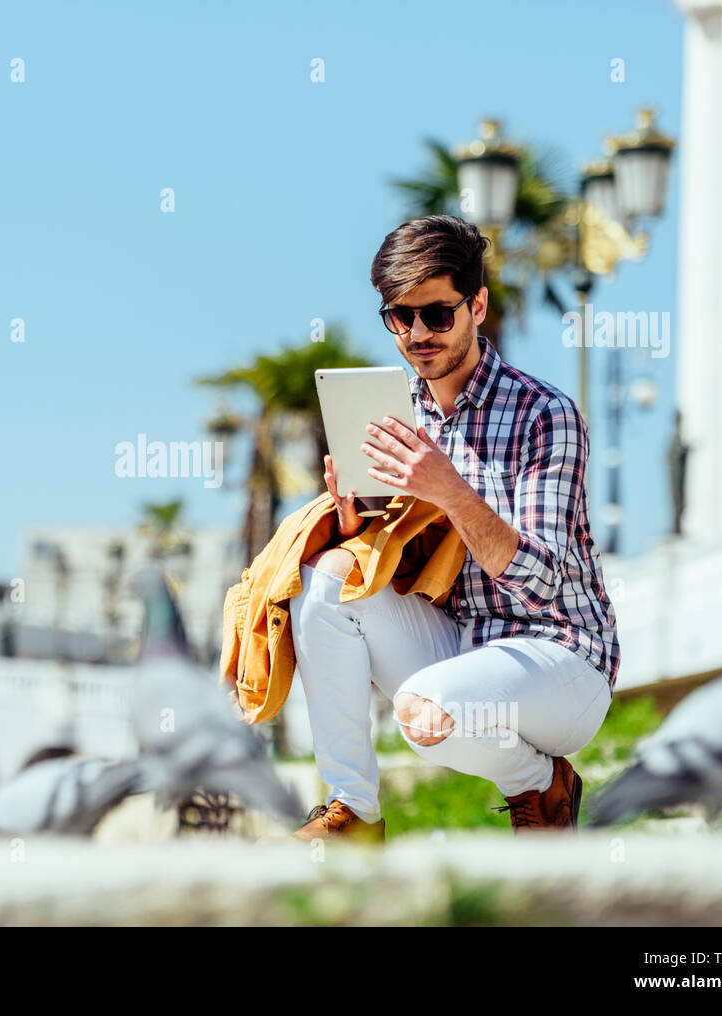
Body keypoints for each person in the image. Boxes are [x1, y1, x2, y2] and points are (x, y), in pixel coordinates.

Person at [288, 214, 619, 840]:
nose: (418, 334)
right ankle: (352, 810)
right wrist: (356, 524)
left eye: (437, 315)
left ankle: (540, 782)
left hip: (561, 657)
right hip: (462, 644)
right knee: (326, 580)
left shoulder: (545, 414)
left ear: (478, 305)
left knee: (424, 712)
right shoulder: (396, 413)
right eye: (399, 317)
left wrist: (451, 491)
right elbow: (404, 562)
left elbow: (546, 583)